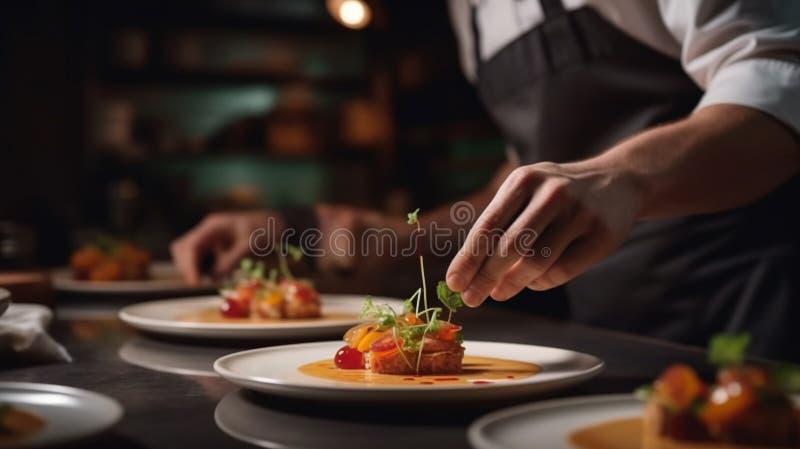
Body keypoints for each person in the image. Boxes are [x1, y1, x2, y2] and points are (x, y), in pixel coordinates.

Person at [171, 0, 800, 361]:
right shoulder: (468, 13)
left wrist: (622, 177)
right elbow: (527, 168)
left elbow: (777, 70)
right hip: (605, 339)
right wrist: (310, 233)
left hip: (752, 312)